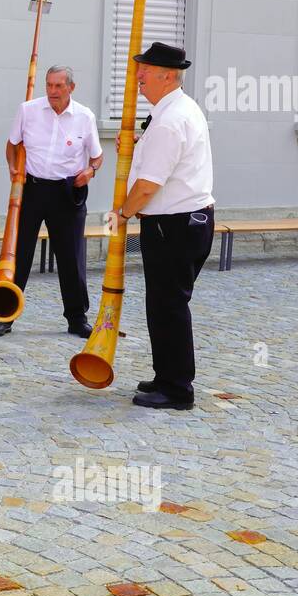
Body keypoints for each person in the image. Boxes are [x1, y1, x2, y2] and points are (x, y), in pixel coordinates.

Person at [115, 42, 215, 410]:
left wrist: (122, 214)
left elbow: (148, 186)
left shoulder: (172, 119)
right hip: (180, 222)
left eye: (146, 70)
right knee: (162, 304)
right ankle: (166, 374)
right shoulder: (173, 111)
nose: (139, 76)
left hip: (174, 227)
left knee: (169, 305)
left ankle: (176, 390)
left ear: (168, 76)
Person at [0, 65, 102, 338]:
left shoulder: (85, 116)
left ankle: (77, 319)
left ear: (71, 88)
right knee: (20, 253)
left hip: (67, 191)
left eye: (58, 86)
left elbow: (97, 156)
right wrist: (13, 169)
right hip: (33, 188)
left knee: (71, 257)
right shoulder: (28, 110)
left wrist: (91, 171)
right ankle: (5, 315)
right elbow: (12, 144)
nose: (52, 91)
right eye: (49, 85)